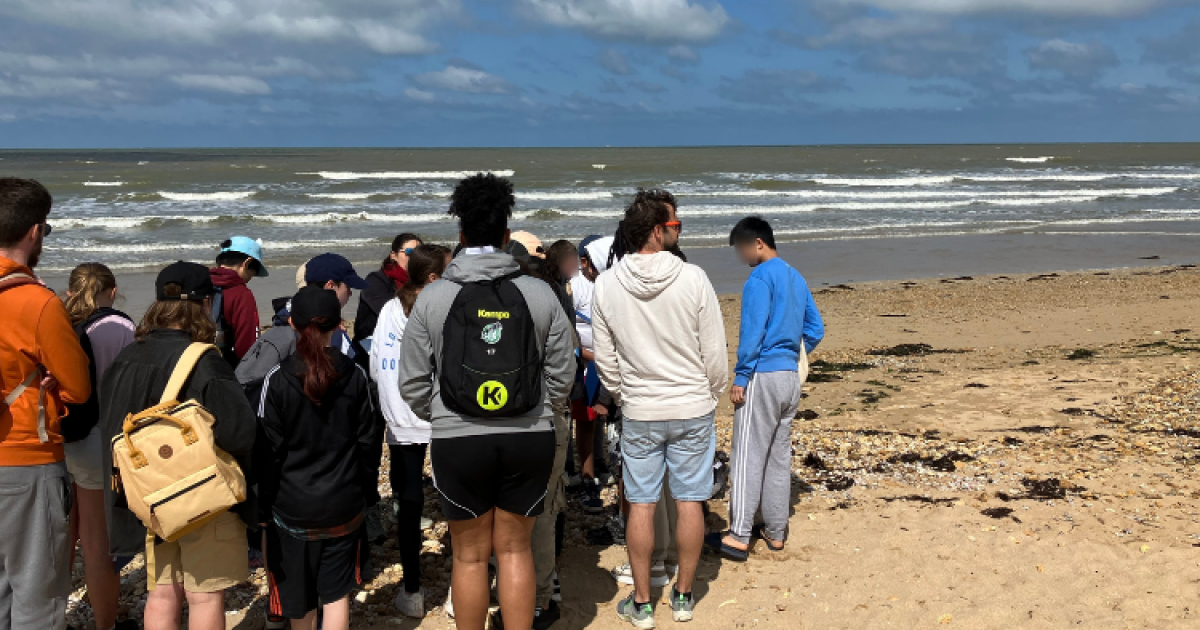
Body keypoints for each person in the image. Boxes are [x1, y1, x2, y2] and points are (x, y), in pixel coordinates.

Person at [399, 174, 575, 630]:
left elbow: (413, 381)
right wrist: (542, 411)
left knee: (470, 556)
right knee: (516, 549)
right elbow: (563, 373)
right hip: (529, 435)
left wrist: (441, 415)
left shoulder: (435, 296)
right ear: (505, 236)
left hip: (459, 439)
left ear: (460, 237)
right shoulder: (540, 293)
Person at [592, 188, 729, 628]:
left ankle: (644, 601)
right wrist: (711, 393)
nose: (679, 229)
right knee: (691, 500)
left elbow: (606, 357)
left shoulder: (608, 284)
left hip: (642, 407)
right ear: (655, 230)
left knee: (642, 502)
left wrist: (623, 393)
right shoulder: (693, 278)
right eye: (674, 224)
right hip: (689, 403)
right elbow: (715, 353)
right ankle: (684, 596)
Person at [98, 261, 257, 630]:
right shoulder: (203, 360)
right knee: (204, 595)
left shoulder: (127, 357)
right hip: (200, 492)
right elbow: (239, 433)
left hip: (149, 496)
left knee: (162, 590)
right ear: (205, 304)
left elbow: (109, 426)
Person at [257, 286, 380, 630]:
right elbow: (368, 443)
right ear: (340, 325)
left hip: (294, 509)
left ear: (292, 324)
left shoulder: (277, 380)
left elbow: (268, 452)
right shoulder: (354, 374)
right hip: (343, 504)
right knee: (336, 595)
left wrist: (262, 508)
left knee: (300, 599)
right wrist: (366, 494)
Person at [0, 178, 91, 630]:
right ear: (35, 232)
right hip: (26, 457)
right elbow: (79, 388)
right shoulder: (37, 302)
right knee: (37, 592)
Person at [710, 217, 825, 560]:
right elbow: (815, 329)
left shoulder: (759, 277)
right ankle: (776, 531)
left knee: (746, 454)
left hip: (762, 374)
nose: (741, 255)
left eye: (742, 248)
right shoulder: (796, 276)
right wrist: (792, 352)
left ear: (758, 242)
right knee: (777, 457)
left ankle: (739, 534)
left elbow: (752, 332)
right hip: (789, 377)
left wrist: (742, 375)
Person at [370, 243, 451, 619]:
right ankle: (458, 589)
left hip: (400, 414)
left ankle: (412, 589)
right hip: (441, 413)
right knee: (456, 497)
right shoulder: (441, 308)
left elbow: (375, 365)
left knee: (409, 501)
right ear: (432, 277)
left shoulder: (387, 309)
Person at [62, 263, 137, 630]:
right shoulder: (121, 327)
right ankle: (105, 622)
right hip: (102, 439)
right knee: (97, 542)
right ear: (113, 290)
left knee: (65, 536)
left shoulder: (62, 324)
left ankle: (46, 614)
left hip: (65, 438)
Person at [236, 254, 368, 386]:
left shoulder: (336, 329)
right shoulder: (282, 336)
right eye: (348, 287)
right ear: (331, 286)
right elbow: (245, 383)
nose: (351, 293)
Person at [570, 235, 614, 514]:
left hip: (611, 359)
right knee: (586, 419)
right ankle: (587, 478)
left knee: (607, 418)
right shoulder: (575, 287)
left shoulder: (611, 284)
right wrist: (591, 356)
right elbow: (567, 331)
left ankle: (602, 462)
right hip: (587, 361)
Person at [354, 233, 423, 347]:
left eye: (419, 253)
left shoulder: (422, 282)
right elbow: (389, 313)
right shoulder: (376, 280)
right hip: (372, 347)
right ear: (394, 255)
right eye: (410, 252)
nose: (415, 257)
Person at [210, 236, 269, 367]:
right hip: (223, 368)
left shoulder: (200, 284)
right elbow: (247, 347)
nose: (252, 276)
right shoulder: (241, 294)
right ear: (247, 263)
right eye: (254, 270)